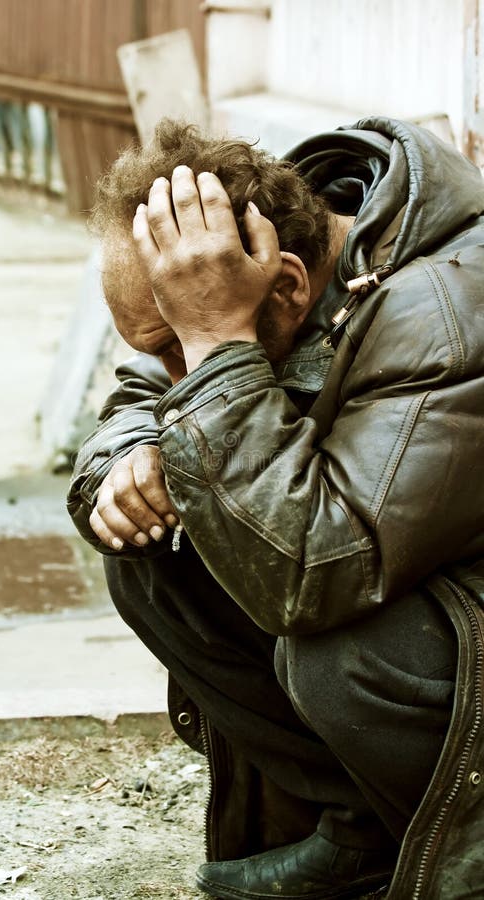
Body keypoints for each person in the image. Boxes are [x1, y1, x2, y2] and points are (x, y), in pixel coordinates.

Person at [67, 117, 484, 899]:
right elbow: (141, 395)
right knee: (153, 558)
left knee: (338, 654)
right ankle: (364, 831)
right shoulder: (271, 258)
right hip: (414, 584)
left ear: (288, 286)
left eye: (175, 342)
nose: (169, 364)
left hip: (440, 608)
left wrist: (218, 345)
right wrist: (123, 462)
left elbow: (316, 571)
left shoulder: (452, 313)